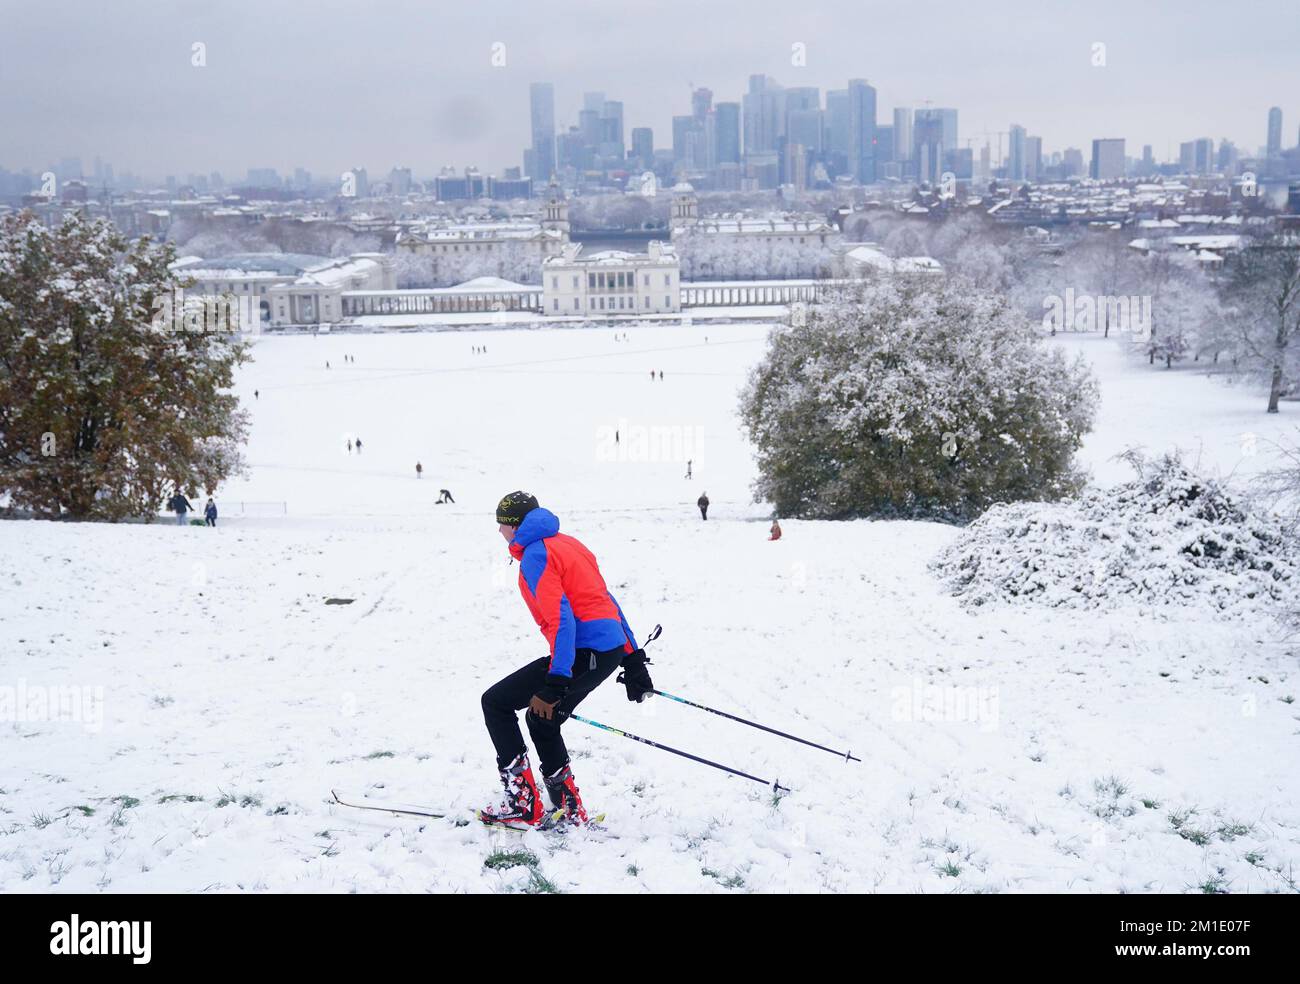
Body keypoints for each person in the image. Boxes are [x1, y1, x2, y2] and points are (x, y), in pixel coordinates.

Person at [479, 492, 653, 827]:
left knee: (496, 703)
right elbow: (608, 603)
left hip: (582, 651)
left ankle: (523, 802)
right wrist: (632, 660)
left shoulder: (535, 555)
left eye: (502, 524)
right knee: (541, 719)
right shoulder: (570, 544)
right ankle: (567, 806)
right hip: (605, 649)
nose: (500, 532)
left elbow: (561, 619)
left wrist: (556, 680)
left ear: (515, 525)